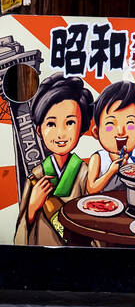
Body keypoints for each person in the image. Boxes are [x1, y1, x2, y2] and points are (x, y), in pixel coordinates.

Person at [14, 72, 93, 245]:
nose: (61, 133)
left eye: (70, 122)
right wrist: (33, 207)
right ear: (39, 130)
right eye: (51, 124)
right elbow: (19, 238)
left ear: (82, 127)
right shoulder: (37, 175)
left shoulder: (85, 174)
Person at [86, 80, 135, 194]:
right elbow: (91, 188)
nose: (121, 131)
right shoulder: (99, 158)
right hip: (101, 206)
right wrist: (111, 171)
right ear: (96, 132)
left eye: (130, 124)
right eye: (110, 125)